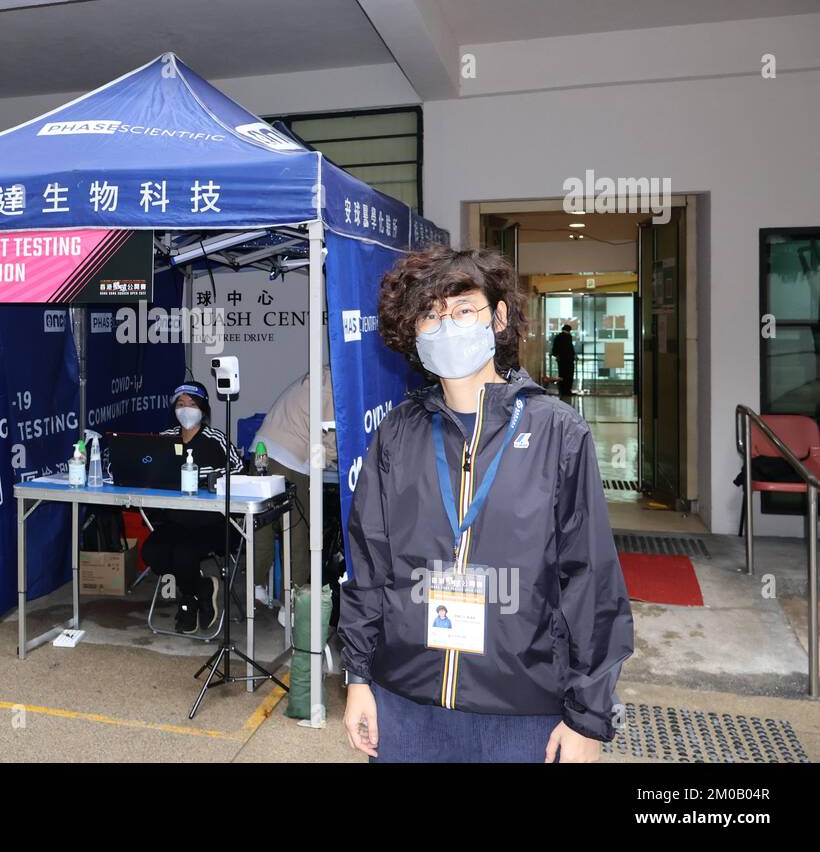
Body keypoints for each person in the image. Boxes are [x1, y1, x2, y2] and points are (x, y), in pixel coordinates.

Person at [339, 246, 633, 763]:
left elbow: (590, 581)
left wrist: (587, 717)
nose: (446, 323)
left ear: (497, 317)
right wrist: (359, 677)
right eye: (430, 313)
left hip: (523, 713)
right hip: (406, 702)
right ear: (414, 332)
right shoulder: (398, 433)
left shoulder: (556, 431)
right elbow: (369, 566)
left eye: (462, 308)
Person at [140, 381, 244, 633]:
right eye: (180, 403)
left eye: (192, 404)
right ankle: (201, 589)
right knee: (153, 552)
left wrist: (205, 481)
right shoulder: (165, 439)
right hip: (174, 520)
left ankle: (188, 601)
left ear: (203, 409)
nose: (186, 409)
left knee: (183, 555)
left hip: (212, 522)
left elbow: (240, 472)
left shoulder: (215, 439)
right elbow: (139, 466)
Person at [251, 366, 336, 590]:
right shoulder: (334, 388)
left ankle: (255, 587)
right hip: (289, 460)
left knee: (262, 525)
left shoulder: (320, 376)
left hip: (261, 451)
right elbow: (331, 440)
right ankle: (291, 602)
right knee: (296, 533)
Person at [551, 324, 576, 398]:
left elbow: (555, 349)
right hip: (568, 360)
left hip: (561, 360)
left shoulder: (558, 337)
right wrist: (573, 356)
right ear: (569, 330)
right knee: (569, 375)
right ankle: (567, 391)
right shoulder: (568, 337)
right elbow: (570, 349)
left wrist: (557, 355)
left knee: (561, 375)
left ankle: (561, 390)